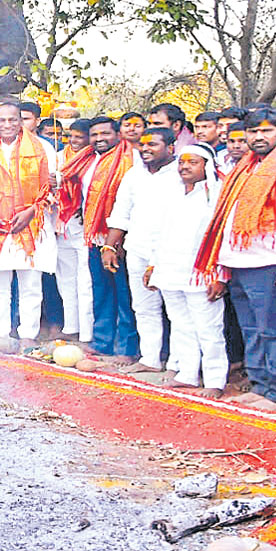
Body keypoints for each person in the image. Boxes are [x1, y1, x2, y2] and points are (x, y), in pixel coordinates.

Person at [195, 107, 276, 413]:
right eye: (253, 131)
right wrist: (221, 267)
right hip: (237, 261)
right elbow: (225, 217)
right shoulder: (244, 166)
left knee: (275, 330)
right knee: (252, 330)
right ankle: (261, 385)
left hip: (274, 262)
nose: (258, 137)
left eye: (266, 131)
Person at [0, 104, 57, 347]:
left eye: (13, 119)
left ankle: (28, 335)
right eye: (2, 120)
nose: (7, 125)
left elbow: (51, 188)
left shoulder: (43, 148)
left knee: (31, 284)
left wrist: (30, 211)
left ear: (21, 121)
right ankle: (0, 333)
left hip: (32, 224)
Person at [142, 143, 227, 397]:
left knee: (208, 328)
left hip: (203, 274)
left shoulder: (217, 195)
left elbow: (222, 238)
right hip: (170, 270)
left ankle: (215, 380)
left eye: (193, 162)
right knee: (180, 324)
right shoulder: (172, 193)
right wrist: (153, 265)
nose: (185, 167)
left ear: (207, 166)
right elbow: (159, 233)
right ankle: (188, 374)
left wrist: (221, 275)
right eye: (182, 162)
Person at [58, 117, 137, 361]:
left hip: (120, 237)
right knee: (101, 290)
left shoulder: (129, 160)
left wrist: (116, 239)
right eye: (94, 135)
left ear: (117, 135)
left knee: (124, 294)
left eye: (105, 134)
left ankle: (127, 348)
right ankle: (103, 342)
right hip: (94, 235)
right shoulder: (87, 159)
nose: (99, 139)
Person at [102, 127, 179, 374]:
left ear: (170, 147)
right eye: (143, 145)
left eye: (152, 144)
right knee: (144, 307)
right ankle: (150, 359)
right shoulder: (134, 174)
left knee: (177, 311)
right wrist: (109, 246)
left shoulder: (182, 173)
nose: (145, 149)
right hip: (137, 249)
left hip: (172, 253)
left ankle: (179, 365)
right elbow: (121, 211)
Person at [55, 118, 94, 343]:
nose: (74, 141)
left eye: (80, 137)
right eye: (71, 136)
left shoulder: (94, 159)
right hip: (61, 226)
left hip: (85, 228)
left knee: (85, 282)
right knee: (65, 279)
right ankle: (71, 327)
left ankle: (87, 333)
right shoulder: (59, 157)